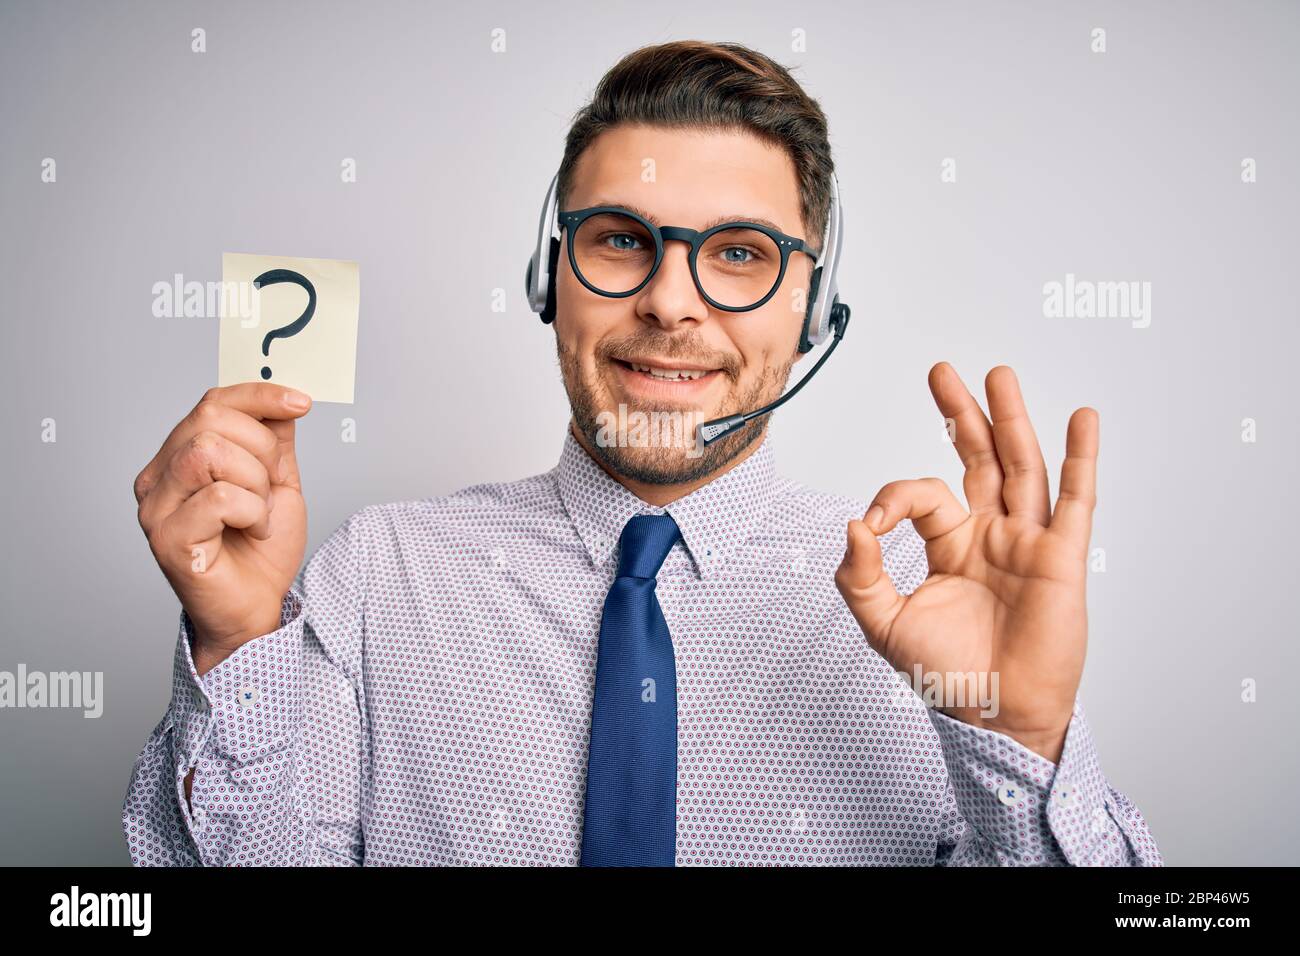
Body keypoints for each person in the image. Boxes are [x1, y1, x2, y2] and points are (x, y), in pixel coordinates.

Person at [123, 40, 1160, 866]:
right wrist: (237, 642)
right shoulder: (378, 574)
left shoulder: (926, 596)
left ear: (809, 310)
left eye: (741, 254)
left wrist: (1015, 739)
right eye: (621, 237)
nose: (671, 299)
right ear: (550, 274)